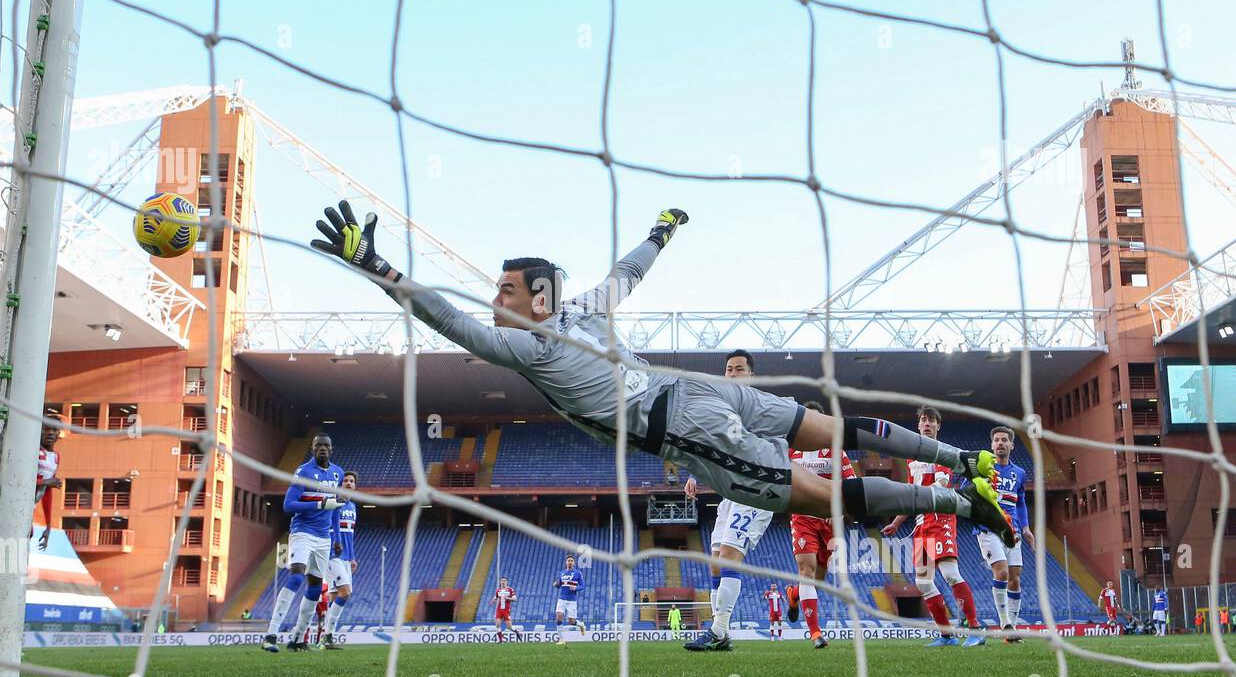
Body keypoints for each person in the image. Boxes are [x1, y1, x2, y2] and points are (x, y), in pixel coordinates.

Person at [308, 202, 1012, 539]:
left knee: (825, 498)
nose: (494, 303)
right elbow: (627, 276)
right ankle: (960, 456)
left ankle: (960, 503)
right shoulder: (580, 310)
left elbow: (445, 320)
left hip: (687, 425)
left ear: (539, 298)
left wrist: (377, 267)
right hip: (698, 387)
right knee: (833, 426)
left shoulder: (534, 347)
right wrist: (661, 233)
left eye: (506, 291)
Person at [686, 350, 776, 652]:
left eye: (739, 369)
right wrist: (696, 475)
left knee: (727, 558)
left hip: (755, 491)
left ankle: (718, 630)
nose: (733, 373)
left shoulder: (763, 408)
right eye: (729, 369)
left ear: (751, 375)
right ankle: (720, 632)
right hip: (730, 495)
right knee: (715, 564)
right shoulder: (721, 408)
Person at [882, 407, 985, 648]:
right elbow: (912, 493)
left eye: (931, 421)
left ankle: (975, 629)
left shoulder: (942, 452)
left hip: (940, 518)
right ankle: (946, 634)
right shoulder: (911, 459)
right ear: (918, 426)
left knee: (950, 574)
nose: (927, 424)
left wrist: (934, 491)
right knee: (924, 582)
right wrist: (897, 521)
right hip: (920, 524)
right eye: (923, 420)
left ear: (938, 427)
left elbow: (941, 483)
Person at [262, 434, 345, 652]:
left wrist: (336, 537)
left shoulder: (338, 473)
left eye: (326, 445)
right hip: (302, 532)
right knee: (297, 576)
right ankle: (271, 635)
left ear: (332, 448)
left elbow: (335, 508)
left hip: (324, 538)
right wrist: (319, 505)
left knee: (316, 588)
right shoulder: (304, 472)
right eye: (319, 445)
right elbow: (289, 505)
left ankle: (297, 638)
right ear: (312, 448)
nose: (323, 449)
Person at [788, 400, 856, 650]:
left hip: (830, 521)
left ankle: (794, 595)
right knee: (806, 570)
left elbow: (851, 485)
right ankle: (816, 633)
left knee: (817, 578)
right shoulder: (791, 452)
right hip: (802, 517)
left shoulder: (835, 452)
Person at [982, 426, 1034, 644]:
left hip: (1013, 531)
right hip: (988, 528)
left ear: (1012, 445)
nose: (1000, 443)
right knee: (1001, 573)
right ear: (992, 445)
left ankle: (1012, 630)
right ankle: (1005, 623)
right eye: (996, 440)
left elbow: (1020, 502)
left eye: (1004, 440)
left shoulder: (1019, 473)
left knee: (1015, 579)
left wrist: (1026, 528)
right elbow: (966, 491)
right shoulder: (983, 469)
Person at [321, 470, 360, 649]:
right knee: (346, 592)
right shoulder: (334, 503)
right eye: (345, 481)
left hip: (345, 558)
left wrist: (352, 557)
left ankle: (327, 638)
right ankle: (326, 636)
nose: (349, 483)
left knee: (335, 595)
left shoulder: (352, 507)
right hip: (332, 554)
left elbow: (349, 535)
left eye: (351, 481)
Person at [36, 420, 62, 550]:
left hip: (29, 506)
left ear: (59, 433)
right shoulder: (33, 451)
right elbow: (19, 482)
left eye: (54, 430)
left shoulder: (56, 457)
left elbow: (46, 491)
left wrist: (48, 525)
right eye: (46, 429)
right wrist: (46, 482)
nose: (50, 433)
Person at [552, 555, 586, 639]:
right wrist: (556, 584)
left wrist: (576, 588)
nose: (570, 562)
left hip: (572, 600)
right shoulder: (562, 573)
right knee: (559, 617)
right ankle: (561, 639)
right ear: (566, 562)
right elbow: (559, 584)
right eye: (569, 560)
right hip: (562, 598)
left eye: (571, 561)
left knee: (571, 621)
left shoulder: (578, 573)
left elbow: (583, 586)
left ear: (574, 563)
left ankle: (581, 625)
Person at [492, 577, 517, 642]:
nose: (503, 582)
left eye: (504, 581)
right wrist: (493, 599)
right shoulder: (498, 590)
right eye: (502, 581)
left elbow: (515, 599)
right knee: (497, 625)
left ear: (506, 582)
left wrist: (508, 598)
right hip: (499, 609)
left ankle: (517, 632)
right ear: (500, 582)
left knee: (509, 627)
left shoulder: (510, 590)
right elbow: (496, 596)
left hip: (506, 610)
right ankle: (501, 641)